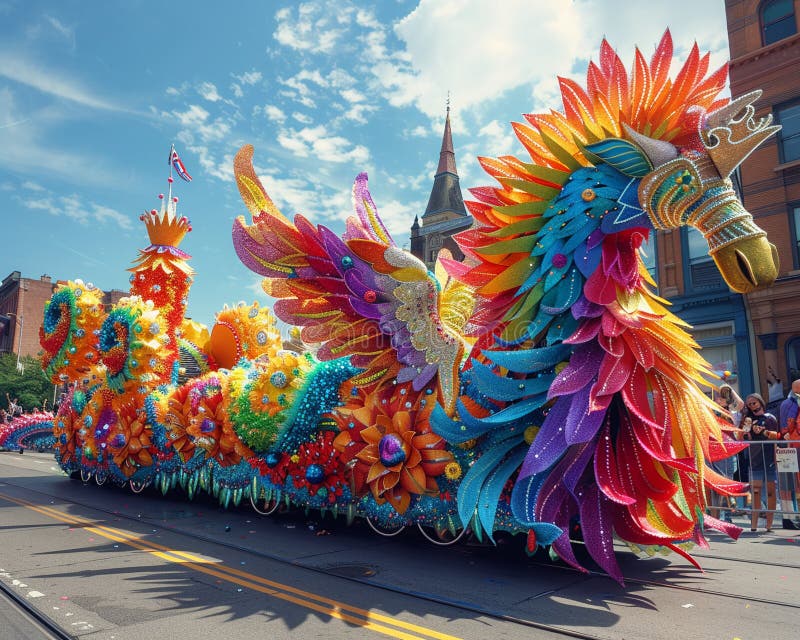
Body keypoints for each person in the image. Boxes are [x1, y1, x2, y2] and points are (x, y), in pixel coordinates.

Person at [741, 393, 781, 532]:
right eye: (749, 404)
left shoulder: (770, 418)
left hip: (769, 459)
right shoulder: (748, 420)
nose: (752, 406)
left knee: (771, 492)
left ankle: (769, 525)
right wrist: (747, 431)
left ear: (760, 402)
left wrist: (765, 433)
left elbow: (778, 436)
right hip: (755, 459)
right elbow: (742, 437)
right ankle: (754, 525)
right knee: (756, 492)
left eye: (754, 403)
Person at [778, 379, 800, 530]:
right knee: (791, 484)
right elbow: (785, 428)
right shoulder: (787, 404)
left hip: (792, 447)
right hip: (791, 448)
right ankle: (789, 517)